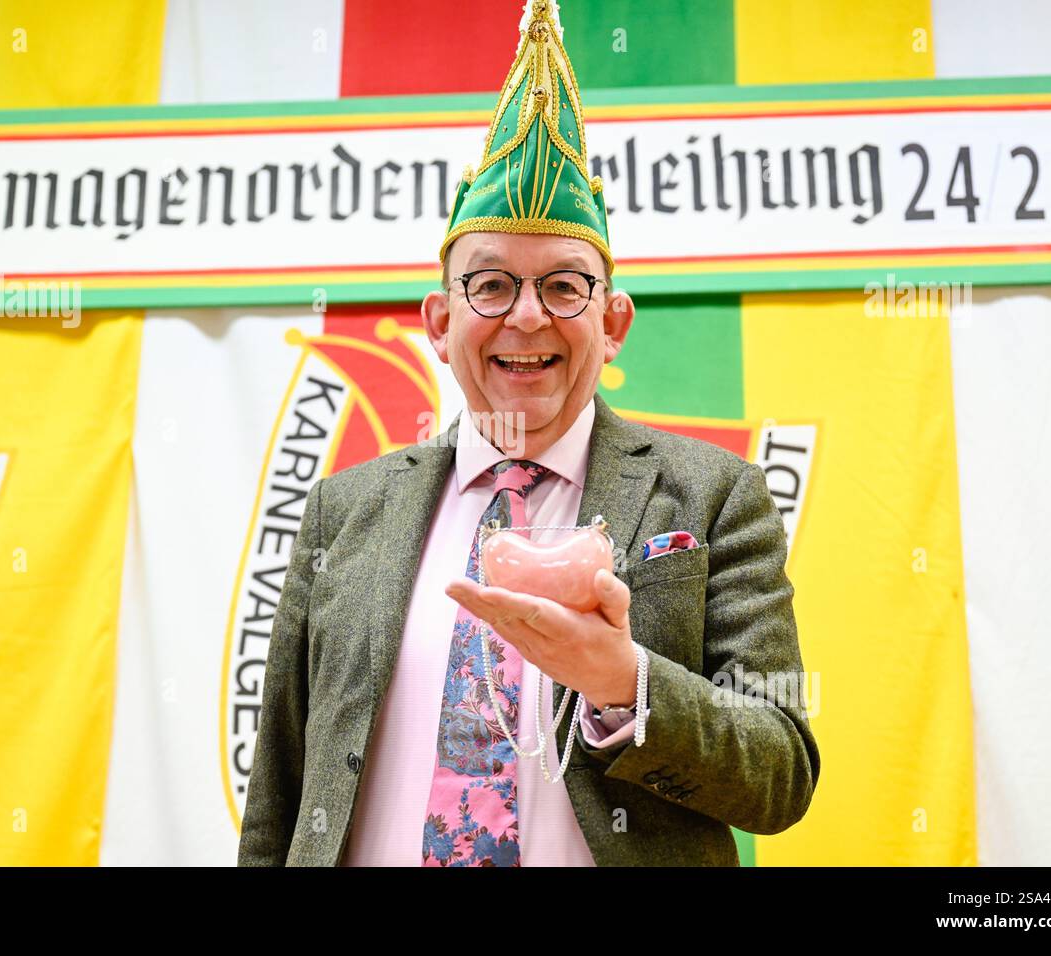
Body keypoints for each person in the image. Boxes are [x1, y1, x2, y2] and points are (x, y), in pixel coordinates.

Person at [237, 0, 818, 867]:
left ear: (613, 322)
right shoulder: (340, 512)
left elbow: (780, 772)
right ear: (439, 321)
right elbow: (280, 794)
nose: (527, 316)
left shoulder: (714, 495)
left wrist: (626, 685)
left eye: (564, 287)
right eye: (492, 285)